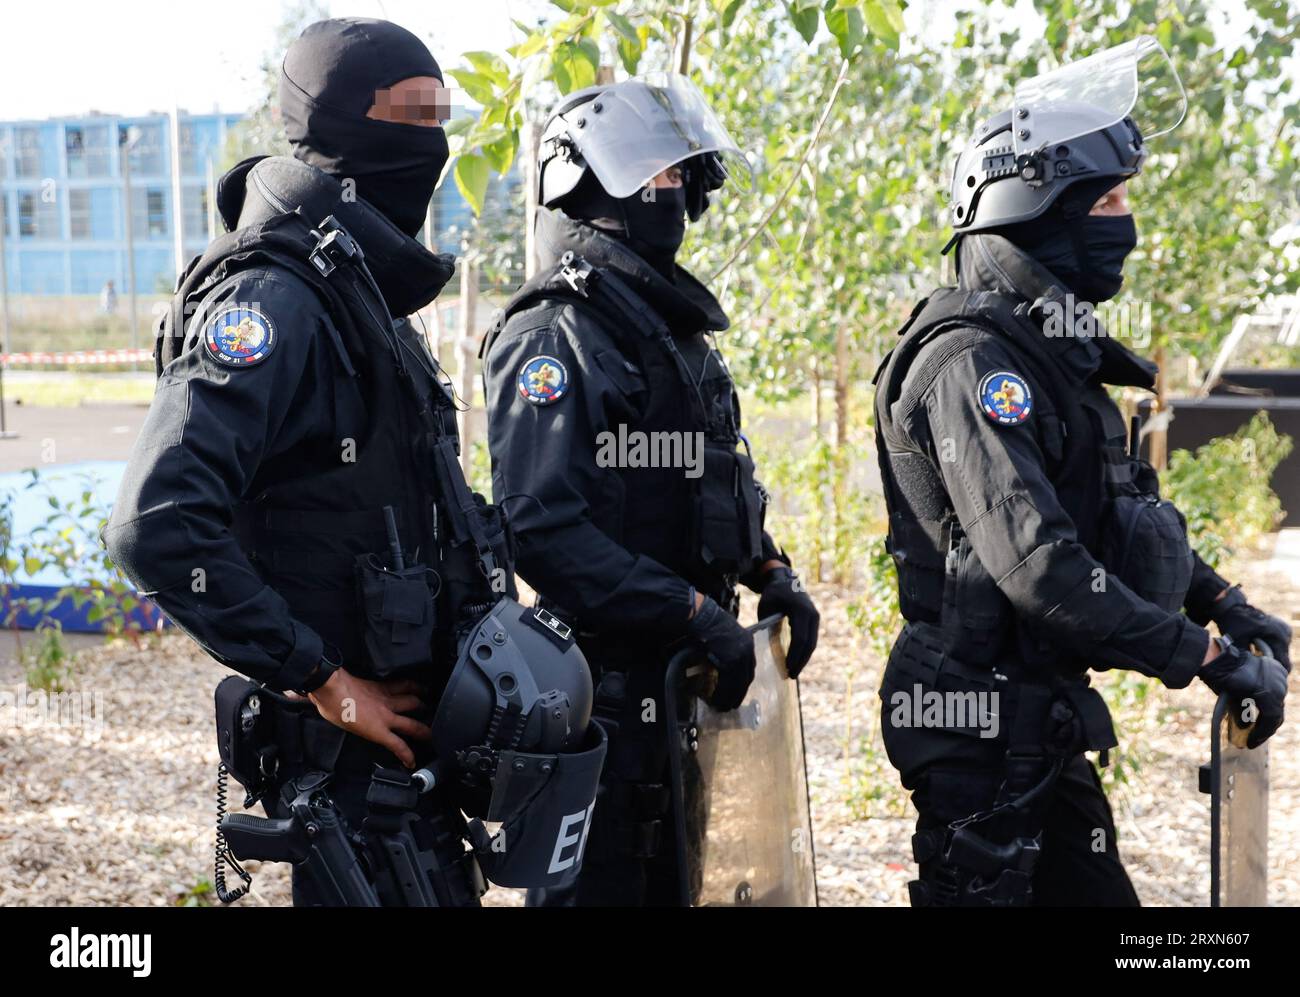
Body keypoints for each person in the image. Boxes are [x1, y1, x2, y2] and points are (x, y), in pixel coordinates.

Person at [103, 17, 587, 907]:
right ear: (332, 125)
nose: (433, 140)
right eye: (408, 113)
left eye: (442, 114)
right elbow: (157, 522)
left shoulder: (354, 286)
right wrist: (322, 679)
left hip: (416, 765)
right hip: (355, 785)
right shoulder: (274, 296)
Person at [873, 39, 1291, 907]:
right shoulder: (972, 362)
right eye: (1106, 199)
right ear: (1038, 212)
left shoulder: (1048, 356)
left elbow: (1116, 510)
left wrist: (1224, 603)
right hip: (970, 726)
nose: (1125, 220)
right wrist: (1205, 656)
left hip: (1033, 714)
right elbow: (1043, 567)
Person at [481, 75, 822, 907]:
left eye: (680, 178)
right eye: (653, 178)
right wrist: (693, 612)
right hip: (598, 699)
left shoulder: (669, 330)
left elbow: (700, 481)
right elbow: (543, 530)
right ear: (582, 183)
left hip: (680, 687)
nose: (672, 194)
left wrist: (767, 571)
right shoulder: (553, 333)